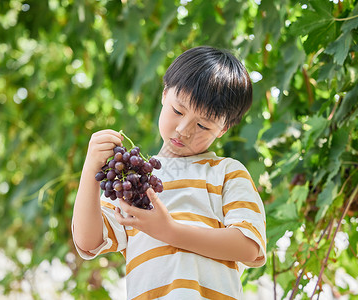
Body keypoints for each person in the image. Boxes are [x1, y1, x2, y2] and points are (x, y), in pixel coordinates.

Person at [72, 46, 267, 299]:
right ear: (164, 94)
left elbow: (249, 247)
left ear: (223, 129)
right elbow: (88, 242)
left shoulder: (227, 172)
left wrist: (170, 231)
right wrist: (90, 170)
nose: (184, 130)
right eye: (178, 111)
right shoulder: (133, 181)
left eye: (202, 125)